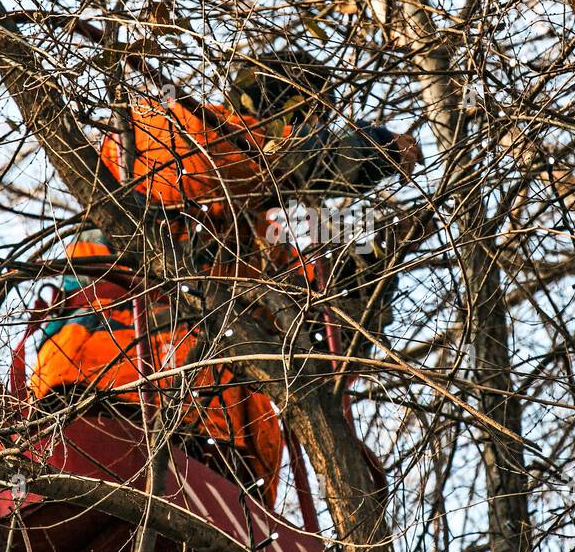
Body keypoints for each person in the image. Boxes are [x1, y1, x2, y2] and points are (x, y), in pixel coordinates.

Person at [30, 51, 421, 506]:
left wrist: (369, 266)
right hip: (105, 381)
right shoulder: (168, 129)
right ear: (280, 115)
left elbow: (325, 341)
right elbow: (266, 159)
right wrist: (373, 150)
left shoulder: (252, 227)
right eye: (307, 125)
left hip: (214, 431)